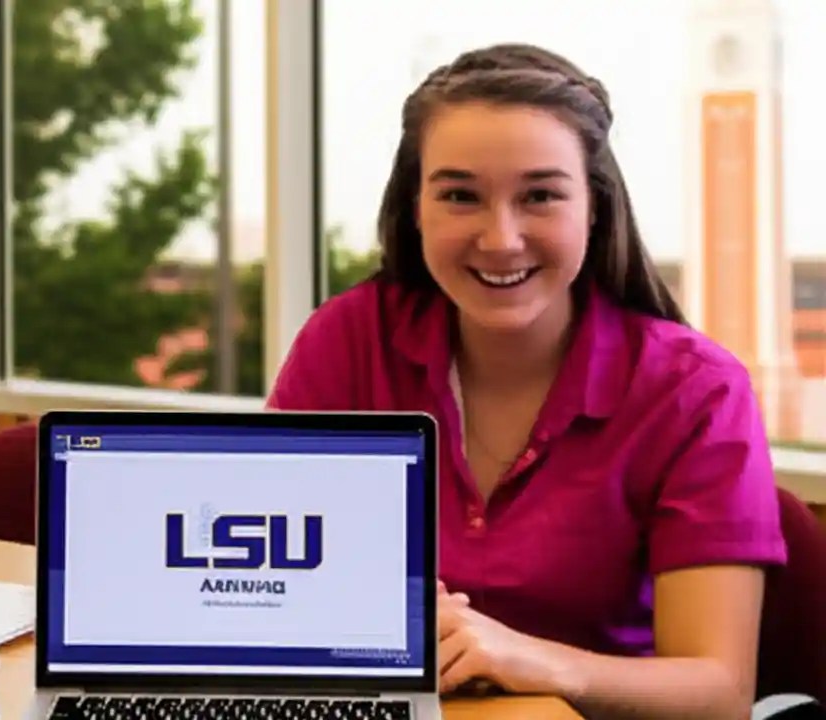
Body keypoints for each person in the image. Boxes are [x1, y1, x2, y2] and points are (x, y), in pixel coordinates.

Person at [267, 43, 787, 719]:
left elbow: (718, 694)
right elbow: (267, 582)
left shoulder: (696, 391)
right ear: (416, 206)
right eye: (460, 196)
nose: (501, 238)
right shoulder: (345, 341)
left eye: (540, 195)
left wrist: (534, 660)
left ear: (594, 207)